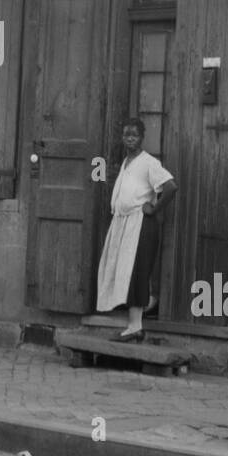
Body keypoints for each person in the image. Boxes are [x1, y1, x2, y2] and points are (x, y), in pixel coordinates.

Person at [96, 118, 177, 340]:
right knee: (125, 272)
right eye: (126, 134)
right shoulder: (126, 162)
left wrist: (155, 208)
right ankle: (133, 325)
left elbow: (170, 187)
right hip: (124, 223)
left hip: (141, 224)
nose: (130, 138)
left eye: (134, 134)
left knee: (137, 272)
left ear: (142, 138)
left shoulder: (148, 162)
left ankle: (135, 326)